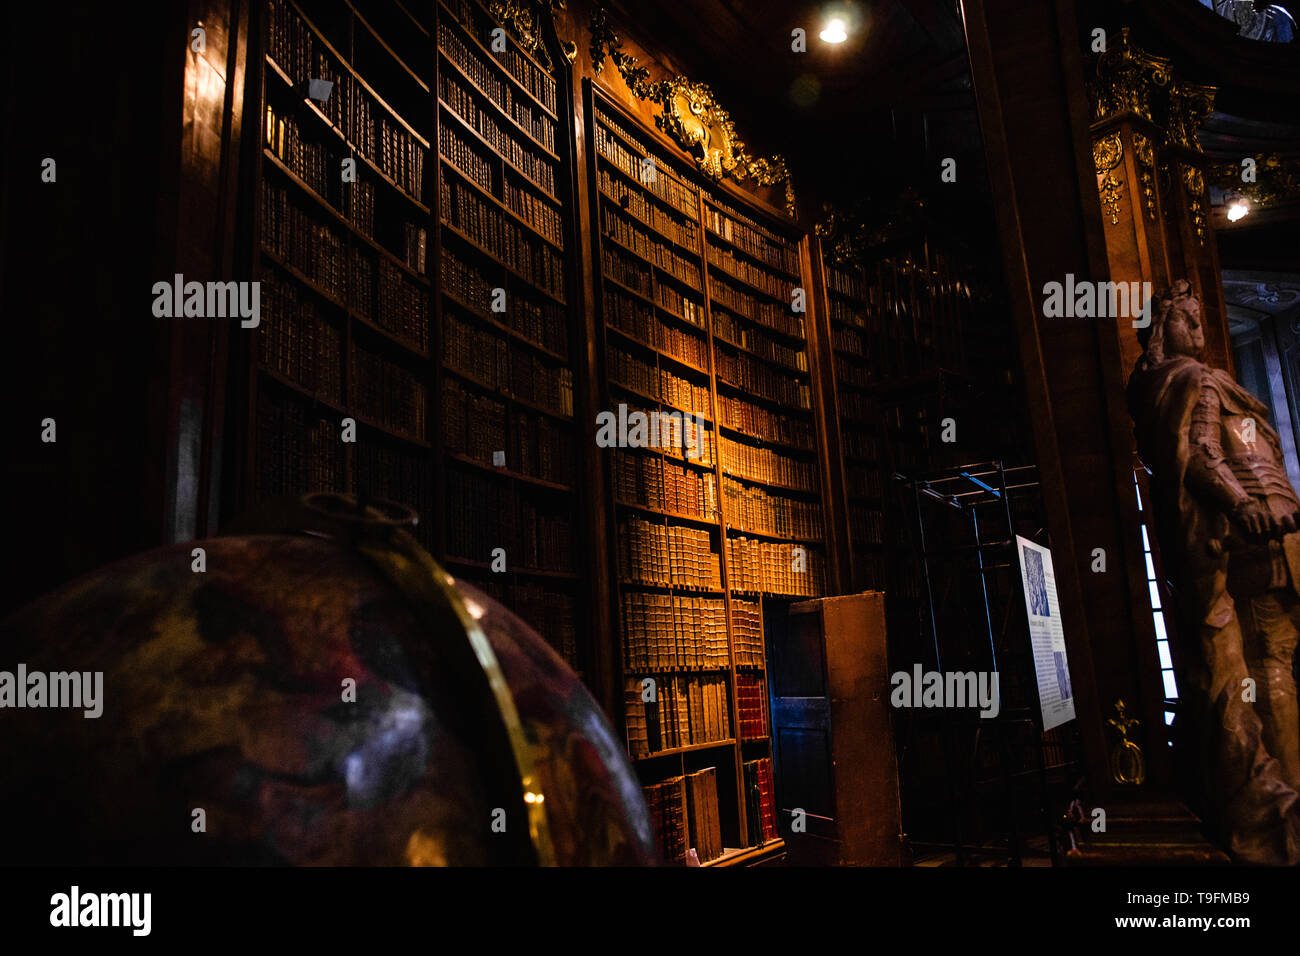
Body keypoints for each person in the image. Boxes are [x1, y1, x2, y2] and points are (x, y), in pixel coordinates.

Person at [1128, 279, 1300, 864]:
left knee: (1272, 668)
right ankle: (1274, 805)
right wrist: (1245, 504)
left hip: (1271, 536)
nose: (1199, 336)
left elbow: (1247, 448)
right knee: (1253, 672)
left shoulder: (1212, 383)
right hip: (1241, 540)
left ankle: (1285, 801)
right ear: (1159, 329)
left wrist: (1269, 497)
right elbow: (1200, 455)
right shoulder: (1189, 382)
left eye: (1202, 323)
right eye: (1187, 323)